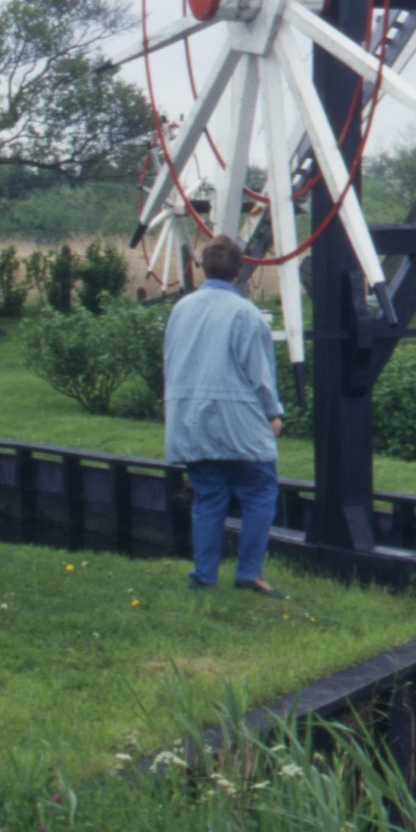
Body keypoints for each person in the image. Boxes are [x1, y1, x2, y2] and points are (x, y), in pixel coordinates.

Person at [163, 233, 285, 594]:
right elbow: (260, 374)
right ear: (240, 270)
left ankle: (204, 576)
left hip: (191, 420)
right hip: (239, 421)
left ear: (204, 267)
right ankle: (249, 573)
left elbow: (170, 363)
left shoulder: (180, 309)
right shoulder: (246, 313)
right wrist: (272, 413)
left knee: (208, 495)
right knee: (259, 492)